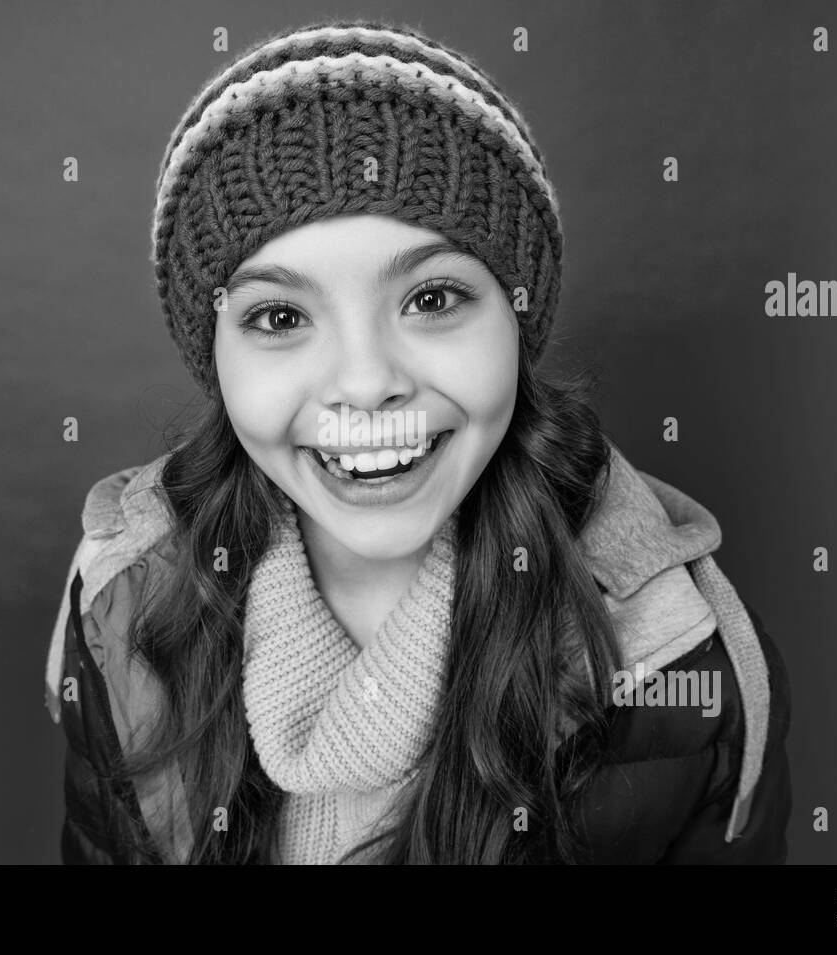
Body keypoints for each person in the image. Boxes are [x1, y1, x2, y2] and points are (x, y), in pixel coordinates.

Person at [43, 17, 791, 864]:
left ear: (516, 319)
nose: (365, 383)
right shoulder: (122, 607)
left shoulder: (684, 659)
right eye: (281, 316)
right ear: (215, 357)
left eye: (432, 299)